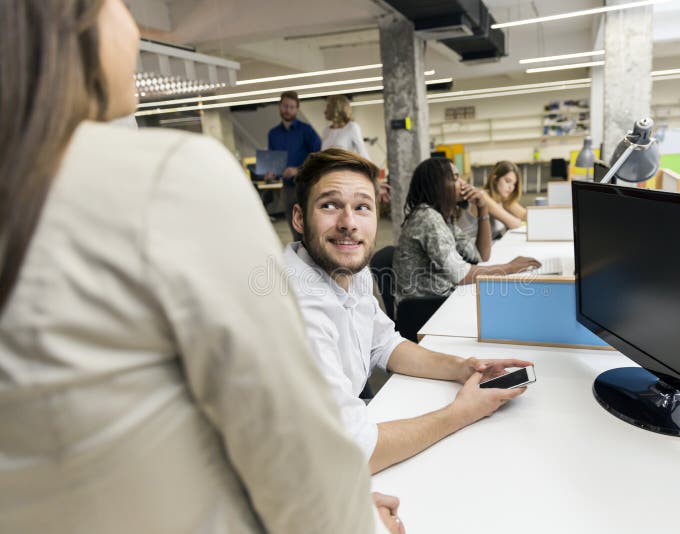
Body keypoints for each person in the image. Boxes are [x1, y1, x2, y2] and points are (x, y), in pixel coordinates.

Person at [0, 2, 399, 533]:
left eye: (363, 207)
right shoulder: (169, 178)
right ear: (71, 25)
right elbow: (295, 455)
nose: (134, 26)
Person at [284, 148, 533, 474]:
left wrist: (464, 368)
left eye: (362, 207)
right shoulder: (295, 311)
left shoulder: (350, 269)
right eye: (330, 206)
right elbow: (355, 452)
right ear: (299, 218)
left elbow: (384, 343)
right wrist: (462, 412)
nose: (348, 223)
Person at [395, 158, 541, 303]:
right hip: (424, 310)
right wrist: (509, 268)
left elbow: (481, 255)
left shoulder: (444, 219)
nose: (464, 184)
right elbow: (460, 273)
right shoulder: (427, 218)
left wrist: (483, 208)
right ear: (437, 185)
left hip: (441, 299)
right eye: (455, 179)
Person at [267, 90, 321, 240]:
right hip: (287, 189)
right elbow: (274, 161)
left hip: (306, 186)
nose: (287, 110)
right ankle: (299, 261)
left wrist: (298, 170)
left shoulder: (307, 130)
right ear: (279, 106)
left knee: (310, 229)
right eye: (285, 106)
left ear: (297, 109)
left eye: (291, 107)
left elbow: (318, 156)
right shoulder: (273, 134)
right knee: (294, 231)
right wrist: (271, 172)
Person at [456, 160, 525, 240]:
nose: (511, 187)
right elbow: (514, 223)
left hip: (484, 247)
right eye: (507, 181)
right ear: (495, 179)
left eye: (514, 184)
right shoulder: (483, 196)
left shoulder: (502, 199)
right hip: (465, 247)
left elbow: (524, 215)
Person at [321, 95, 370, 159]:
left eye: (328, 107)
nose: (325, 111)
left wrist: (371, 168)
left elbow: (362, 152)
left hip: (345, 167)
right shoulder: (326, 130)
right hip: (328, 168)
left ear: (337, 108)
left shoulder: (352, 127)